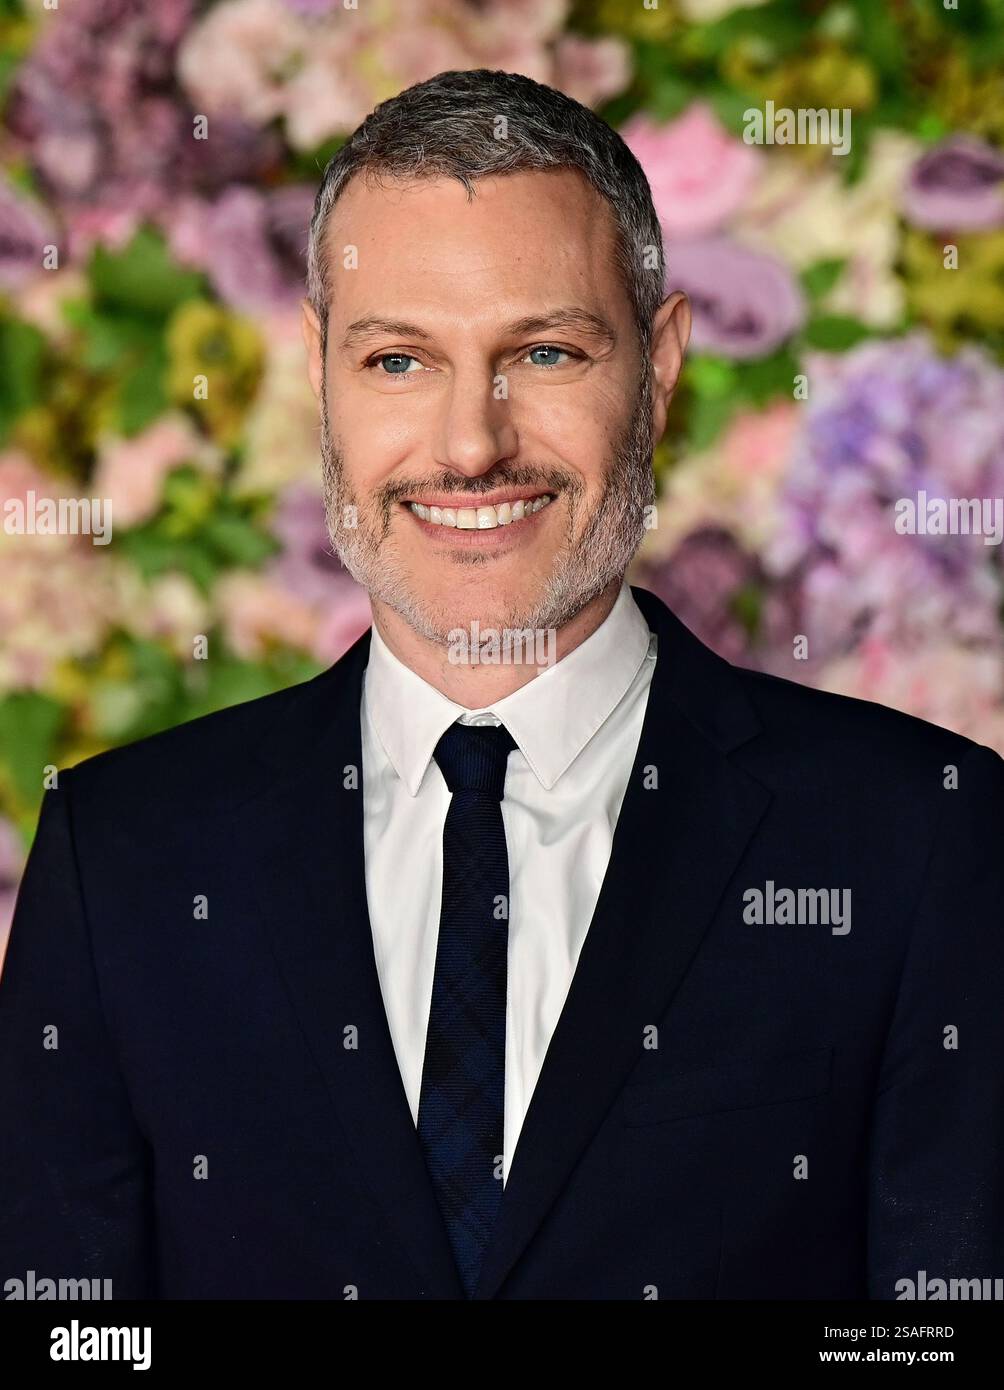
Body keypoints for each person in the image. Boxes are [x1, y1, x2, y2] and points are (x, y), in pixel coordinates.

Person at [2, 69, 1001, 1302]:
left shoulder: (918, 834)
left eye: (542, 349)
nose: (472, 444)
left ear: (661, 361)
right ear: (320, 370)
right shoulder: (125, 860)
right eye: (398, 360)